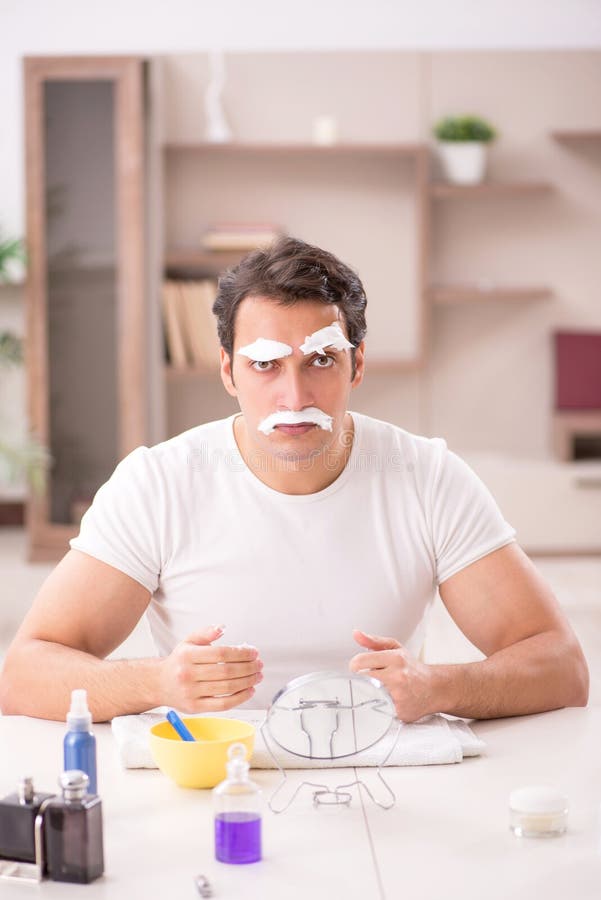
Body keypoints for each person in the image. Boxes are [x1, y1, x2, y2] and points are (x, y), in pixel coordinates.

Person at [0, 237, 588, 723]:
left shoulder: (426, 477)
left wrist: (438, 687)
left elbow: (562, 665)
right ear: (228, 371)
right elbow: (23, 674)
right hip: (216, 780)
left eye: (321, 360)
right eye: (265, 365)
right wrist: (155, 682)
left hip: (380, 772)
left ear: (357, 364)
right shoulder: (158, 484)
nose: (295, 397)